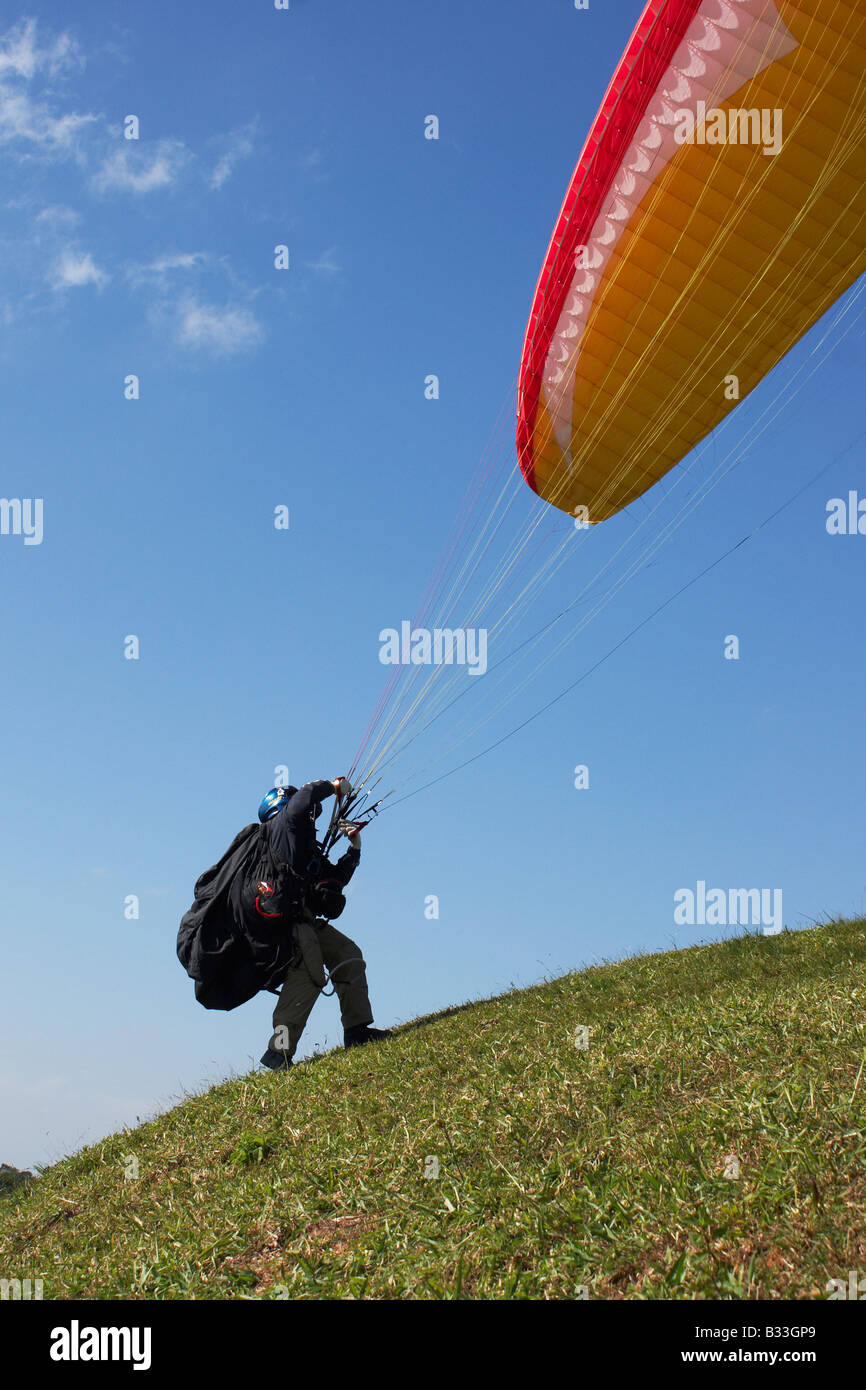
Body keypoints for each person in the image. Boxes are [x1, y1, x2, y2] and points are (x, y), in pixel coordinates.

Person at [256, 776, 392, 1071]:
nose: (310, 819)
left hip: (307, 920)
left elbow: (332, 881)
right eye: (306, 814)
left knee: (348, 954)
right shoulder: (280, 830)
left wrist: (354, 850)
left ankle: (357, 1031)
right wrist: (333, 786)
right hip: (288, 927)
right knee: (310, 978)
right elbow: (303, 798)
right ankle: (278, 1053)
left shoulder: (303, 850)